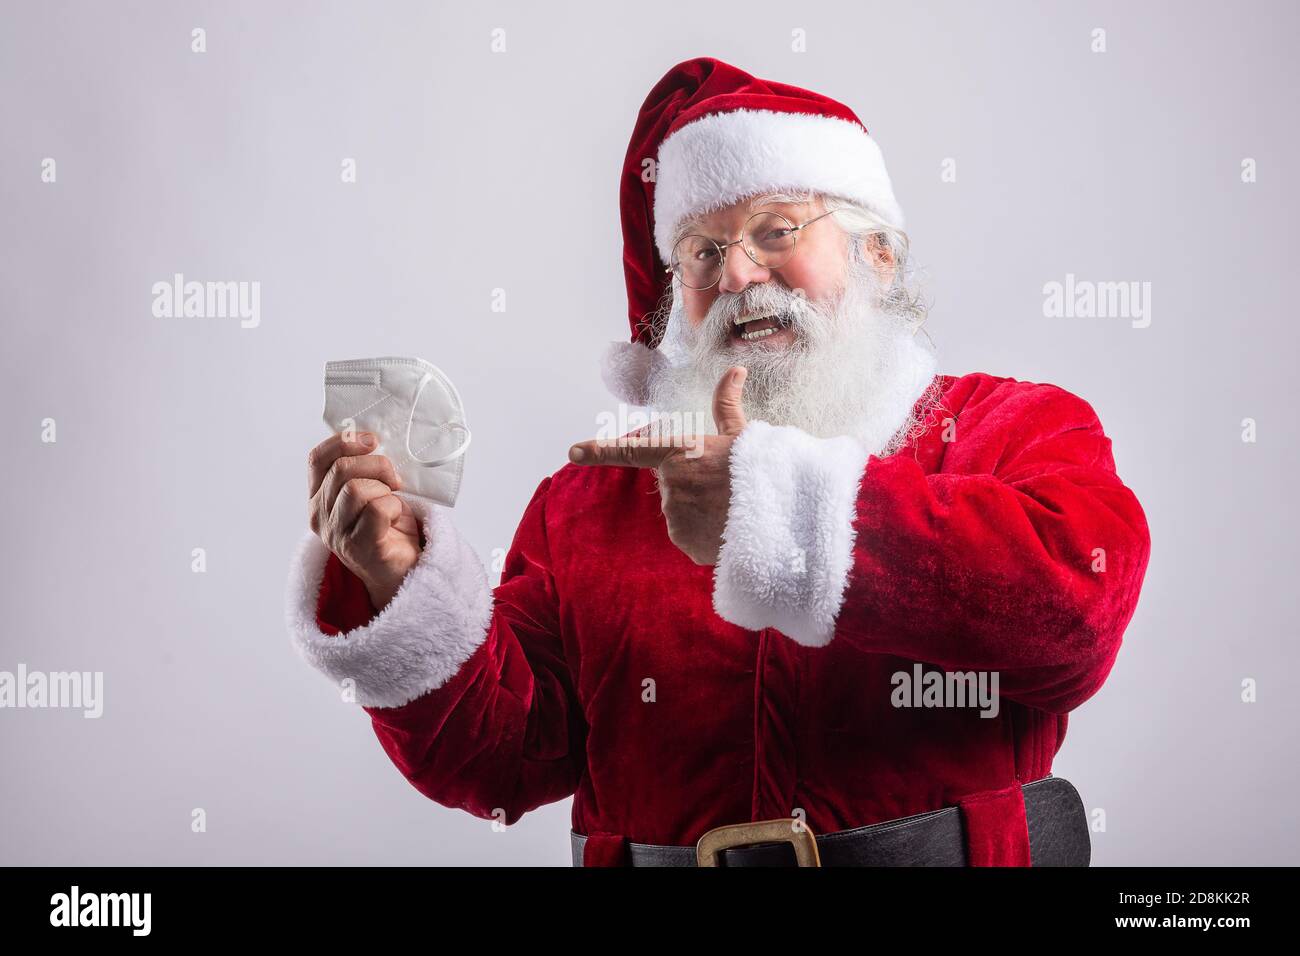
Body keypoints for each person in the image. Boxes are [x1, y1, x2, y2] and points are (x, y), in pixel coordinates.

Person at [286, 56, 1150, 866]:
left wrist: (771, 507)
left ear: (877, 253)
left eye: (777, 230)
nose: (738, 273)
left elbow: (1075, 619)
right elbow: (506, 760)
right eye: (701, 252)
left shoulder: (1014, 427)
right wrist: (400, 581)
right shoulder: (589, 501)